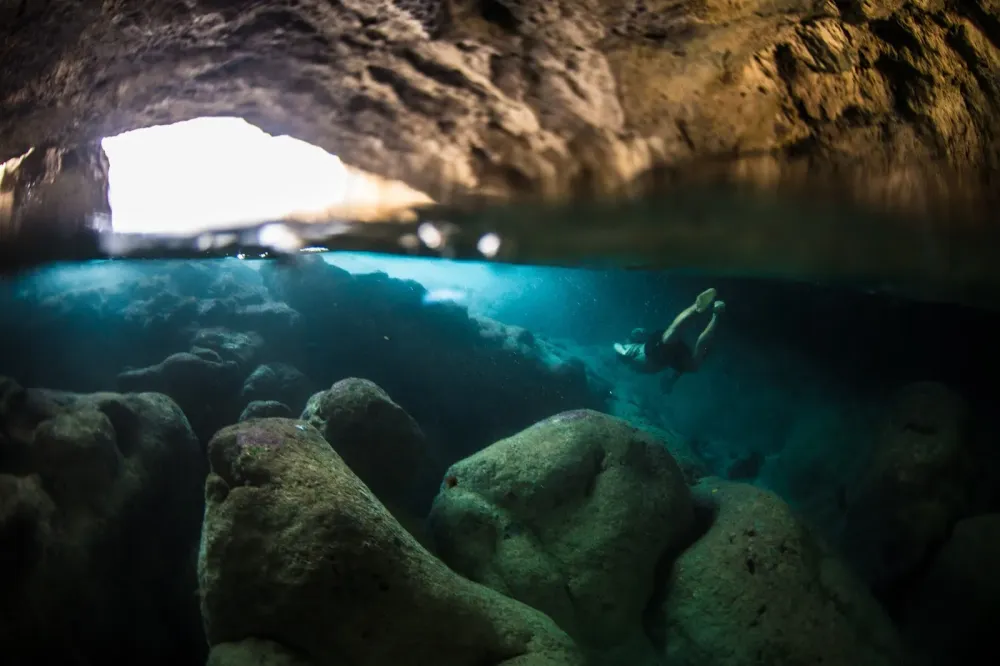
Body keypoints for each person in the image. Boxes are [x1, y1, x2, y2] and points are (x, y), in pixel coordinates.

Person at [613, 287, 725, 391]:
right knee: (692, 365)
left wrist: (623, 351)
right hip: (666, 359)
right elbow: (676, 370)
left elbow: (616, 345)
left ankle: (700, 308)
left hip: (655, 352)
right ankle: (716, 314)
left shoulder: (628, 350)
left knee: (673, 333)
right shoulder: (633, 359)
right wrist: (671, 382)